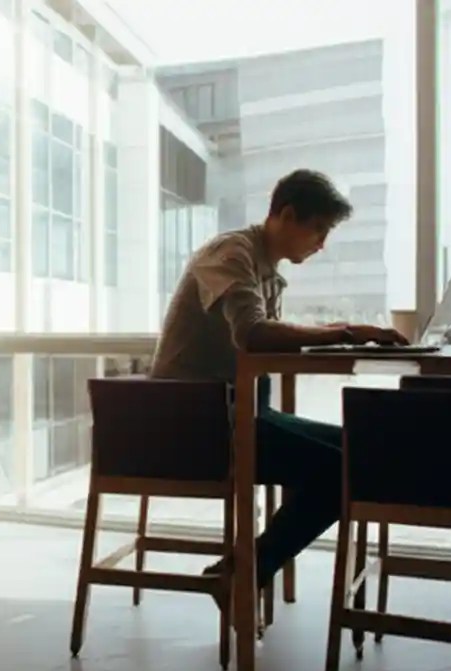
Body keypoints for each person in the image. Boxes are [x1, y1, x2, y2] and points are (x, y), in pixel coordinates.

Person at [149, 168, 407, 589]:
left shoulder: (265, 272)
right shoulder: (230, 255)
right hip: (193, 423)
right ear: (287, 215)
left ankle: (239, 572)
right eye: (318, 230)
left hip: (234, 413)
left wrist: (346, 332)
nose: (322, 244)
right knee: (342, 467)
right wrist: (345, 332)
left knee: (356, 450)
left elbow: (268, 341)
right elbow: (253, 334)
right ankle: (245, 573)